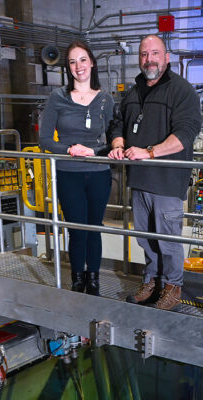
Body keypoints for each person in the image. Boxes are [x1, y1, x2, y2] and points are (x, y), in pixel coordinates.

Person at [109, 35, 202, 310]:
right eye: (143, 55)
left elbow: (185, 135)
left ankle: (173, 287)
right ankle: (152, 281)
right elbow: (118, 123)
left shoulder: (181, 90)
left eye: (154, 53)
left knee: (168, 240)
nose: (149, 59)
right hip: (139, 179)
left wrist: (148, 152)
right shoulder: (133, 92)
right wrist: (117, 142)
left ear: (166, 57)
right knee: (145, 238)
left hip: (166, 180)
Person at [39, 40, 115, 296]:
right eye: (72, 61)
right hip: (68, 173)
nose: (78, 66)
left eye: (82, 60)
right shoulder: (57, 97)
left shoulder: (105, 99)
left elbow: (115, 136)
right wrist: (69, 149)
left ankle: (93, 281)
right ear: (68, 68)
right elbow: (45, 139)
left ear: (92, 63)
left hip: (98, 173)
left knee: (94, 227)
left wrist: (95, 151)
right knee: (76, 229)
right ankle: (77, 279)